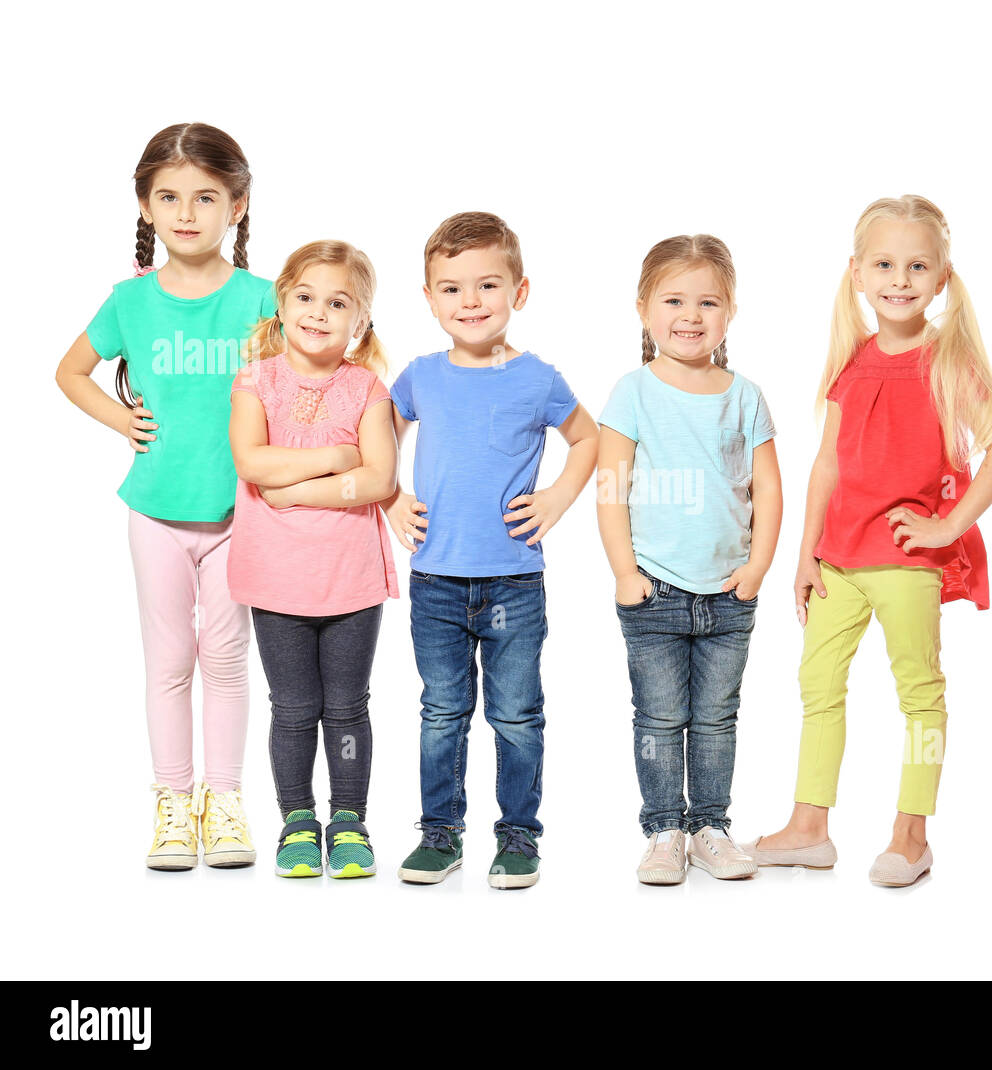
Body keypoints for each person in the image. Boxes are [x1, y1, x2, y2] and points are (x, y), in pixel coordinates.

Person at [745, 195, 992, 887]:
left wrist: (949, 527)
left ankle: (911, 832)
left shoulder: (948, 359)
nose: (901, 279)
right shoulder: (854, 361)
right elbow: (828, 464)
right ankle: (810, 825)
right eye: (886, 264)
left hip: (905, 561)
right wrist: (805, 553)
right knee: (818, 686)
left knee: (919, 693)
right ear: (858, 273)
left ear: (942, 277)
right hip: (840, 556)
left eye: (918, 265)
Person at [55, 123, 273, 870]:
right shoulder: (130, 301)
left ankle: (227, 802)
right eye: (170, 197)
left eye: (206, 197)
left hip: (243, 511)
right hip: (154, 510)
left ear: (236, 205)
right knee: (169, 659)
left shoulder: (266, 299)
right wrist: (123, 419)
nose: (187, 212)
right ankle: (174, 806)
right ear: (146, 207)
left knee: (226, 655)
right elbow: (70, 371)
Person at [385, 212, 598, 889]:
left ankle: (518, 837)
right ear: (428, 298)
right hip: (435, 580)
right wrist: (389, 498)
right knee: (442, 711)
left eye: (486, 286)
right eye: (450, 289)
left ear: (519, 291)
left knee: (515, 714)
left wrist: (559, 497)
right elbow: (375, 439)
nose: (469, 302)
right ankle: (441, 834)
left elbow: (588, 439)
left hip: (512, 581)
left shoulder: (538, 378)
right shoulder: (418, 376)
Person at [597, 234, 781, 885]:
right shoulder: (633, 392)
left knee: (716, 717)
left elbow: (768, 488)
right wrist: (625, 572)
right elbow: (611, 487)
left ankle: (709, 824)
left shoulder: (744, 396)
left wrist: (756, 569)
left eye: (707, 302)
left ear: (729, 312)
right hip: (654, 592)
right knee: (659, 716)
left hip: (729, 595)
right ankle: (663, 830)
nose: (690, 315)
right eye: (674, 300)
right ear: (644, 308)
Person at [229, 240, 398, 879]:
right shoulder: (257, 379)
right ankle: (297, 817)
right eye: (305, 297)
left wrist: (292, 486)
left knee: (348, 705)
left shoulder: (367, 388)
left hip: (350, 579)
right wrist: (336, 457)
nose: (318, 313)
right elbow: (252, 462)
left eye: (338, 303)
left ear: (361, 322)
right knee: (294, 706)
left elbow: (380, 479)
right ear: (281, 302)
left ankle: (349, 818)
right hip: (276, 579)